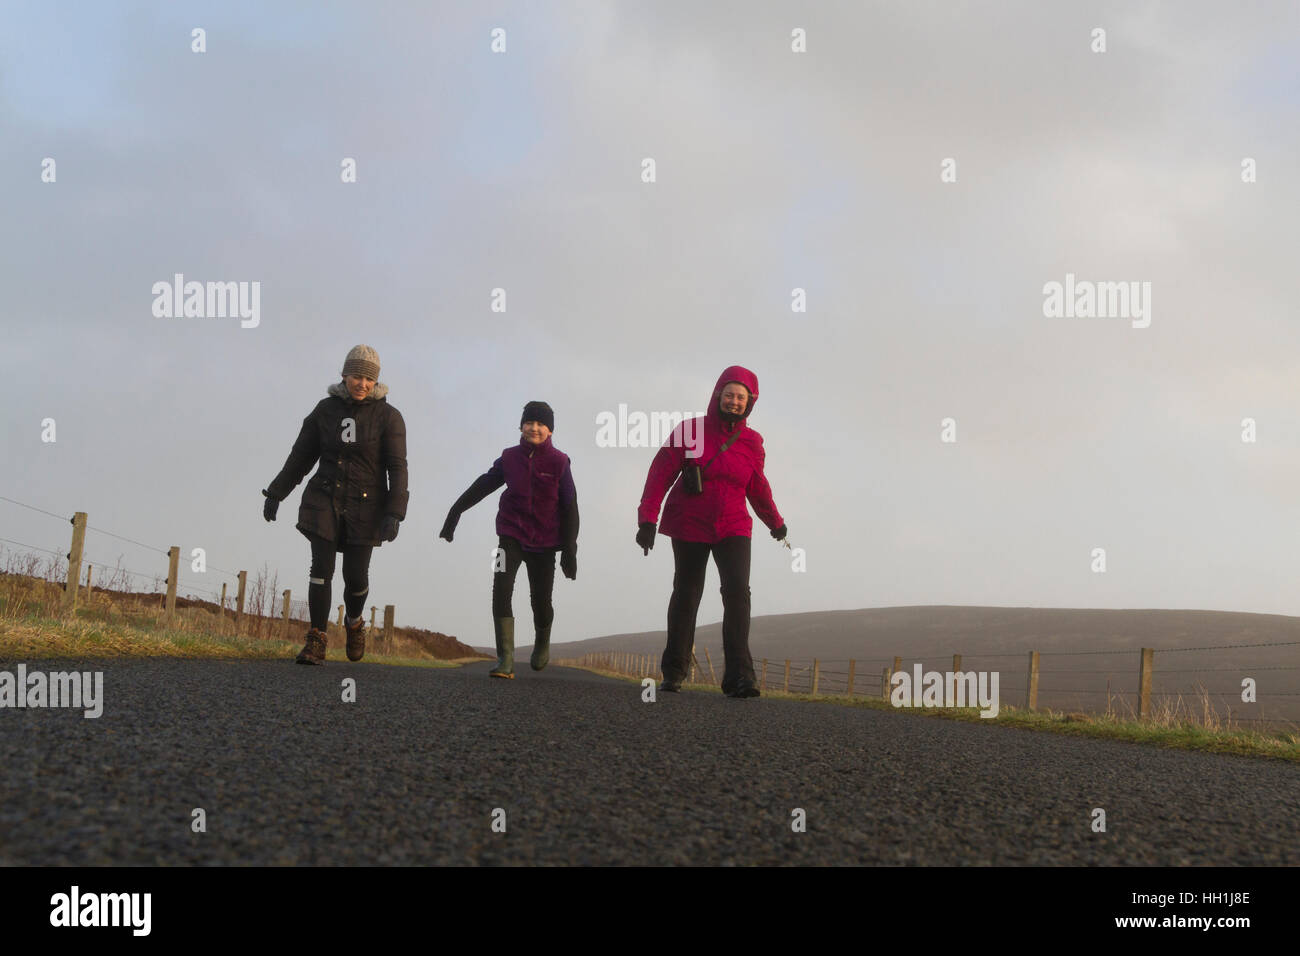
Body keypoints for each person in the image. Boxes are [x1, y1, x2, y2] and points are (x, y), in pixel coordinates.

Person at [637, 366, 786, 698]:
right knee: (687, 593)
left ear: (750, 402)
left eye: (741, 397)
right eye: (729, 394)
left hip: (733, 524)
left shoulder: (752, 441)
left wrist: (775, 522)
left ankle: (739, 677)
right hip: (689, 522)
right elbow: (660, 473)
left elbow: (757, 486)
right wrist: (647, 518)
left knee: (737, 594)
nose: (734, 401)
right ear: (718, 394)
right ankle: (674, 672)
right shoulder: (690, 431)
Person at [262, 345, 408, 664]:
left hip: (366, 506)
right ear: (344, 375)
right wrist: (276, 492)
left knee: (355, 577)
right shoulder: (325, 411)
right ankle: (316, 640)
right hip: (324, 499)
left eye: (369, 379)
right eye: (357, 376)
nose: (362, 384)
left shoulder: (389, 417)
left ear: (376, 382)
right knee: (321, 570)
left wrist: (394, 513)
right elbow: (300, 457)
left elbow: (397, 467)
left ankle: (354, 622)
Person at [440, 401, 578, 678]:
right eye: (530, 422)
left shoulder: (560, 462)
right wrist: (455, 512)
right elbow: (484, 484)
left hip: (546, 542)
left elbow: (570, 506)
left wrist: (569, 550)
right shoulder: (509, 457)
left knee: (541, 601)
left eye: (541, 424)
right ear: (521, 425)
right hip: (510, 535)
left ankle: (542, 640)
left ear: (550, 430)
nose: (535, 428)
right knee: (501, 589)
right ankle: (505, 659)